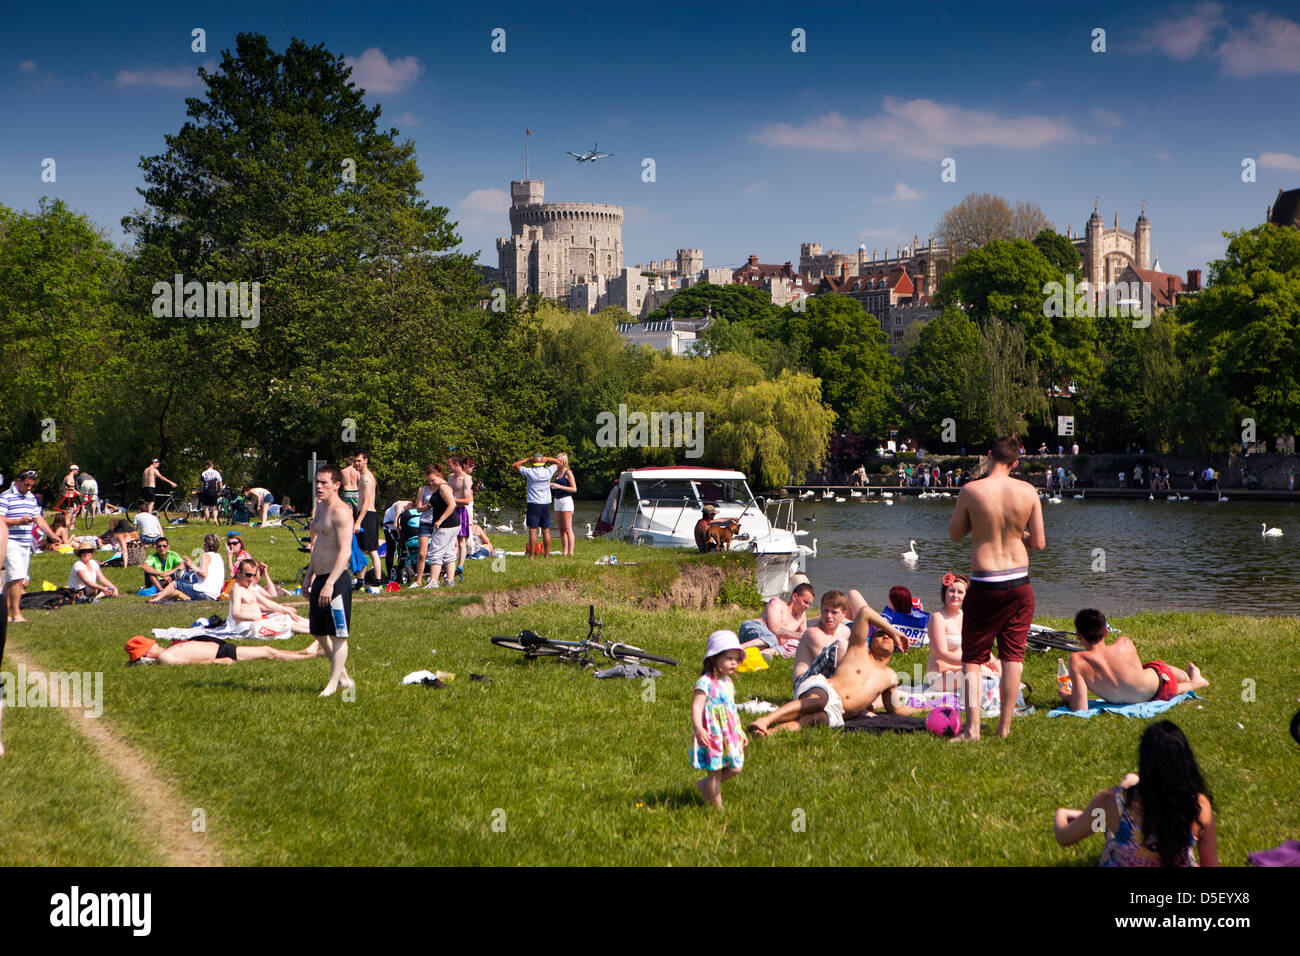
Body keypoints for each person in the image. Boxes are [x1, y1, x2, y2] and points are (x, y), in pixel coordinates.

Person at [948, 435, 1045, 740]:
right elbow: (1039, 543)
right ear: (1016, 462)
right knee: (1013, 656)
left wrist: (981, 524)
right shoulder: (1029, 491)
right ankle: (1004, 728)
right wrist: (1017, 533)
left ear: (989, 455)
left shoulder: (971, 491)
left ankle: (973, 729)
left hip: (986, 582)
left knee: (974, 658)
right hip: (1019, 582)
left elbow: (955, 534)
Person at [1053, 721, 1218, 867]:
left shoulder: (1112, 802)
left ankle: (1093, 817)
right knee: (1128, 786)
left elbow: (1064, 837)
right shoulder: (1199, 806)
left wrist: (1060, 814)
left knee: (1116, 815)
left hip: (1117, 819)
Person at [747, 605, 918, 736]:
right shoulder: (858, 651)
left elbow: (896, 710)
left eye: (888, 637)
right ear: (870, 643)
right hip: (823, 688)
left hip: (839, 713)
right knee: (818, 702)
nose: (886, 637)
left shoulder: (890, 677)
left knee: (814, 719)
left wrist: (933, 708)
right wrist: (894, 631)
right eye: (881, 635)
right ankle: (765, 720)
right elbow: (865, 611)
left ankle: (768, 733)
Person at [1060, 609, 1208, 709]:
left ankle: (1193, 678)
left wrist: (1067, 697)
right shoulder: (1124, 643)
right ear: (1106, 632)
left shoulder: (1077, 661)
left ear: (1079, 636)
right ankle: (1197, 680)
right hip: (1156, 689)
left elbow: (1081, 708)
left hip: (1150, 692)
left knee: (1159, 673)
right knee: (1163, 671)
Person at [304, 463, 355, 697]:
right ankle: (343, 676)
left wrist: (330, 583)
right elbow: (316, 547)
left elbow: (345, 551)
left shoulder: (342, 511)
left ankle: (334, 684)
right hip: (320, 576)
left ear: (337, 485)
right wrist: (308, 576)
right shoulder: (320, 509)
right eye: (317, 482)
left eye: (324, 482)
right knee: (317, 631)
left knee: (338, 634)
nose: (319, 486)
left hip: (336, 580)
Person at [691, 630, 747, 809]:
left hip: (729, 733)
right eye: (728, 658)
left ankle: (705, 785)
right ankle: (717, 808)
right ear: (714, 658)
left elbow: (732, 710)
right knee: (714, 772)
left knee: (736, 768)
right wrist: (699, 729)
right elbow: (697, 706)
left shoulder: (728, 682)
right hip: (712, 734)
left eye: (736, 658)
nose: (733, 662)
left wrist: (740, 731)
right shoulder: (705, 682)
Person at [925, 572, 1001, 689]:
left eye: (960, 592)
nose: (955, 595)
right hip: (941, 674)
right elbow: (942, 653)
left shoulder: (967, 616)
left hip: (966, 665)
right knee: (973, 673)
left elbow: (978, 645)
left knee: (1008, 666)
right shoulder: (937, 618)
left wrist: (990, 659)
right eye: (951, 591)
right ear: (944, 593)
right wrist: (974, 662)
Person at [1, 470, 58, 624]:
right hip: (10, 541)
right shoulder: (6, 496)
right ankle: (16, 614)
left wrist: (52, 535)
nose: (29, 488)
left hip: (26, 543)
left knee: (13, 579)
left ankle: (4, 613)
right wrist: (19, 521)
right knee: (17, 577)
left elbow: (37, 517)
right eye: (26, 485)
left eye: (31, 486)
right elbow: (1, 519)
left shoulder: (31, 497)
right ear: (18, 480)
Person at [228, 558, 310, 636]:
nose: (251, 579)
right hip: (247, 627)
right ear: (238, 572)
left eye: (254, 575)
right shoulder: (236, 589)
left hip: (258, 622)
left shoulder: (249, 588)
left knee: (285, 617)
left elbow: (268, 603)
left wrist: (287, 610)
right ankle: (316, 630)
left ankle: (317, 624)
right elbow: (235, 614)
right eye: (248, 575)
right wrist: (254, 618)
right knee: (283, 624)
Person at [790, 589, 851, 690]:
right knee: (842, 645)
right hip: (803, 683)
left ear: (844, 614)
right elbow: (829, 666)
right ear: (821, 610)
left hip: (825, 681)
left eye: (834, 612)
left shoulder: (845, 631)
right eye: (825, 611)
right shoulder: (813, 633)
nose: (828, 616)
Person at [127, 635, 317, 667]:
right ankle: (310, 656)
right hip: (219, 654)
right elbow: (189, 663)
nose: (154, 644)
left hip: (220, 648)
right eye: (149, 646)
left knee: (268, 650)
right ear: (146, 654)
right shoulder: (165, 657)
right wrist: (217, 661)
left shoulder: (165, 651)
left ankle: (302, 652)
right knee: (267, 652)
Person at [737, 582, 814, 656]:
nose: (807, 606)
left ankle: (763, 653)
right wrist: (800, 636)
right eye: (805, 602)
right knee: (773, 639)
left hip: (768, 643)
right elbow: (775, 629)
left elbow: (803, 640)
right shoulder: (776, 603)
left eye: (809, 604)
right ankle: (737, 648)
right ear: (794, 596)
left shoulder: (801, 617)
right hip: (754, 628)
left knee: (783, 649)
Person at [413, 465, 458, 588]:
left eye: (433, 480)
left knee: (434, 553)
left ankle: (433, 581)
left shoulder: (443, 487)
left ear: (439, 475)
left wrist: (440, 520)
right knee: (448, 553)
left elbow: (452, 505)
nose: (431, 483)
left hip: (446, 525)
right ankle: (450, 580)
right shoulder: (442, 487)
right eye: (429, 481)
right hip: (451, 524)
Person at [147, 533, 225, 603]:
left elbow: (204, 574)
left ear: (207, 545)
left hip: (204, 593)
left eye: (204, 544)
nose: (203, 546)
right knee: (189, 578)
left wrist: (191, 565)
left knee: (176, 583)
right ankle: (166, 594)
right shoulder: (219, 556)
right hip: (214, 595)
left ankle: (157, 599)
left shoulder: (206, 555)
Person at [513, 454, 559, 557]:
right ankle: (546, 556)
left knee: (533, 531)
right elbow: (559, 463)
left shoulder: (530, 472)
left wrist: (528, 459)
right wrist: (548, 459)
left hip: (533, 503)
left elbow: (515, 465)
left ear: (533, 462)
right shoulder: (548, 471)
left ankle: (532, 556)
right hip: (545, 504)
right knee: (546, 530)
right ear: (543, 462)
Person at [353, 452, 381, 587]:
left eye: (359, 461)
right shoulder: (362, 477)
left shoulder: (367, 479)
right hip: (363, 515)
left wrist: (358, 521)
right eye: (355, 461)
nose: (357, 464)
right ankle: (360, 580)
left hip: (367, 515)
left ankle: (378, 581)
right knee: (362, 549)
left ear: (366, 460)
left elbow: (366, 502)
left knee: (372, 550)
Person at [449, 455, 474, 580]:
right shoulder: (450, 478)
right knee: (451, 542)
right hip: (451, 511)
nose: (448, 467)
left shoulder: (466, 478)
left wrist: (453, 500)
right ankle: (449, 566)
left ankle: (460, 568)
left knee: (461, 542)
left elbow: (468, 500)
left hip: (461, 511)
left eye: (450, 465)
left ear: (457, 465)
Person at [550, 452, 578, 557]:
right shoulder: (557, 473)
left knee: (567, 528)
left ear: (564, 462)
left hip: (566, 501)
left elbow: (574, 489)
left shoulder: (568, 472)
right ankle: (564, 552)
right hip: (557, 501)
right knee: (561, 528)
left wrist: (559, 486)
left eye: (558, 460)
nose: (556, 462)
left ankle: (571, 552)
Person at [198, 460, 223, 524]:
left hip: (207, 491)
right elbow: (220, 483)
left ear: (206, 466)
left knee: (206, 507)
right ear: (212, 465)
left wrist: (202, 491)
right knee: (215, 507)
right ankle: (215, 519)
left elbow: (202, 484)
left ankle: (207, 522)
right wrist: (220, 491)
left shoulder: (204, 473)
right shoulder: (216, 473)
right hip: (214, 490)